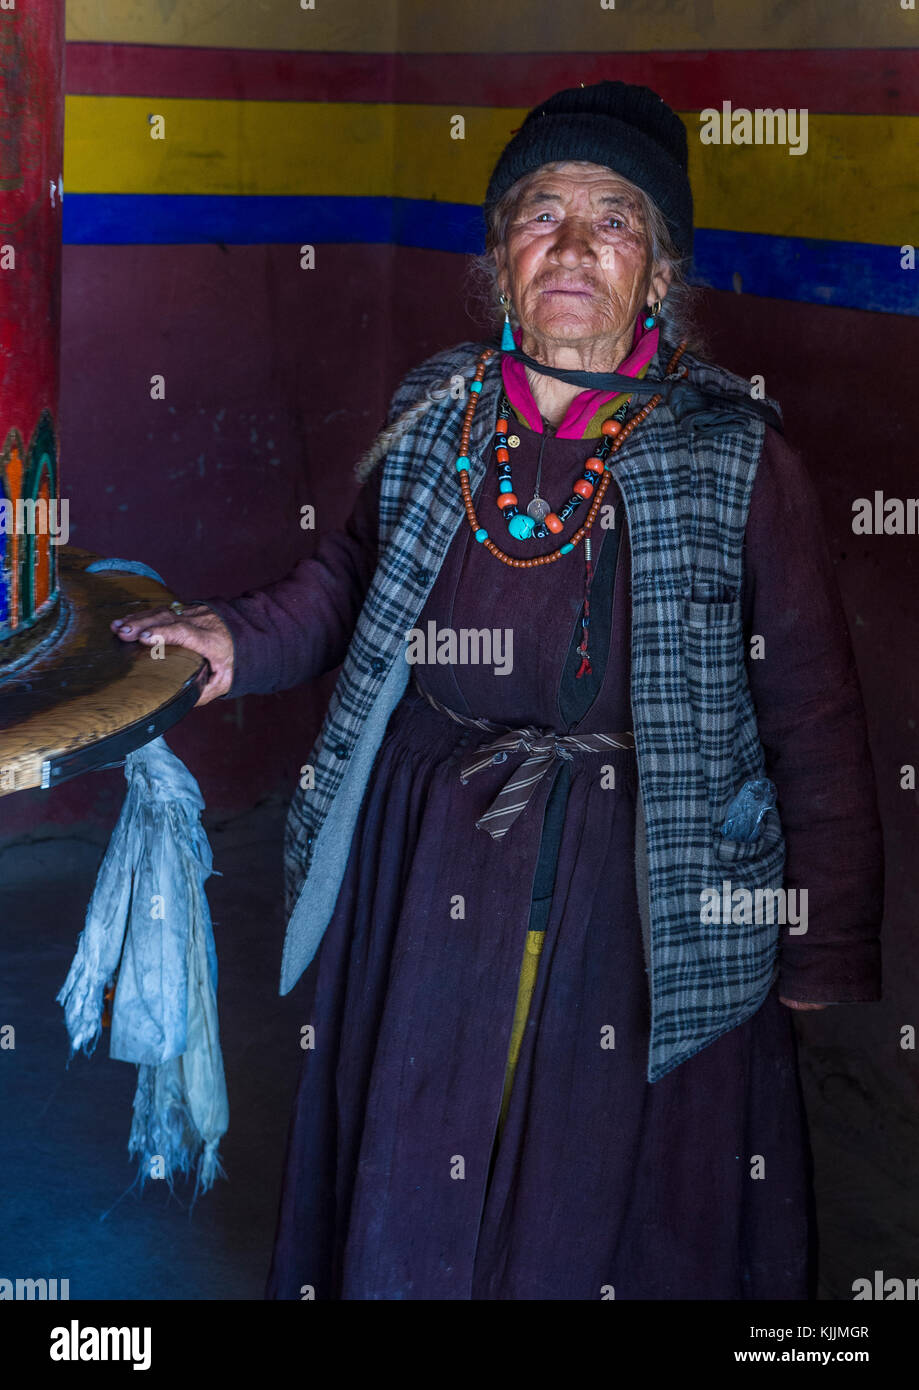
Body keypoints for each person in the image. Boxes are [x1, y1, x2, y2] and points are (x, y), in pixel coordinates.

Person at [112, 81, 883, 1300]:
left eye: (613, 220)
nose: (572, 247)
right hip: (438, 860)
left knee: (601, 1185)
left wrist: (820, 941)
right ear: (498, 254)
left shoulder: (733, 453)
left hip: (641, 880)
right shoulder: (440, 410)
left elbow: (814, 716)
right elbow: (348, 581)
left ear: (660, 271)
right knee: (424, 1131)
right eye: (541, 213)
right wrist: (231, 640)